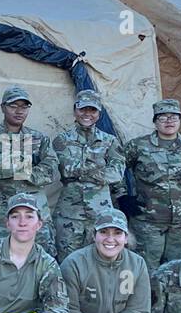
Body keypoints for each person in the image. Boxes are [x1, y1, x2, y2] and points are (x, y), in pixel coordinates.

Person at [118, 99, 181, 270]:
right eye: (163, 117)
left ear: (180, 120)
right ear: (155, 121)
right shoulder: (137, 146)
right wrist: (123, 196)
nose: (169, 121)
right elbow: (117, 169)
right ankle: (146, 297)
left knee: (175, 269)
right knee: (145, 268)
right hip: (148, 221)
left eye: (174, 117)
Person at [0, 86, 58, 251]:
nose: (19, 111)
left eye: (24, 106)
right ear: (3, 107)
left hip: (34, 215)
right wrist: (29, 168)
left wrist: (13, 167)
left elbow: (50, 169)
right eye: (13, 106)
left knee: (39, 266)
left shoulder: (39, 138)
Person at [51, 89, 125, 262]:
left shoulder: (110, 141)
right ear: (75, 110)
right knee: (66, 261)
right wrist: (99, 170)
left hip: (101, 212)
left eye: (92, 110)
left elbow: (116, 173)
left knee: (99, 259)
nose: (87, 114)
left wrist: (81, 171)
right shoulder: (61, 140)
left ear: (99, 113)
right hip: (69, 212)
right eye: (83, 109)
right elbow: (64, 169)